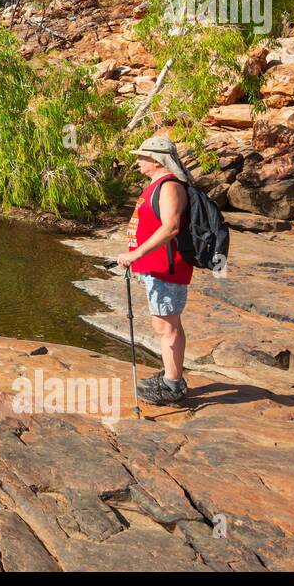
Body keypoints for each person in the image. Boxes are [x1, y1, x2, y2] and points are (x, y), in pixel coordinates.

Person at [116, 135, 193, 406]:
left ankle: (173, 386)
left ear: (156, 160)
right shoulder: (158, 184)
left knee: (167, 326)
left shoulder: (170, 186)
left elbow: (171, 227)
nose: (137, 162)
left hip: (166, 268)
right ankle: (171, 376)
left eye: (141, 157)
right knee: (163, 325)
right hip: (156, 266)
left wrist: (136, 253)